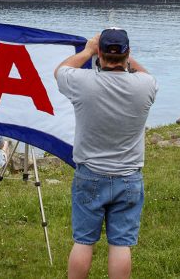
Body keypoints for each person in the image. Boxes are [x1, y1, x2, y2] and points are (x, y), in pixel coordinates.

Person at [55, 28, 157, 279]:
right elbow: (145, 74)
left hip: (91, 174)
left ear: (100, 55)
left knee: (83, 241)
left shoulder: (83, 83)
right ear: (128, 54)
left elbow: (61, 71)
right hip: (129, 176)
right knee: (121, 244)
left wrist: (88, 51)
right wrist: (124, 58)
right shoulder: (145, 86)